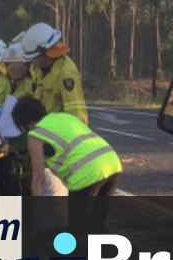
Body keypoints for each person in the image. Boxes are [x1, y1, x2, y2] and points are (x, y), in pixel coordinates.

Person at [11, 96, 121, 232]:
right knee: (96, 225)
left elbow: (38, 179)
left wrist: (35, 220)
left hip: (87, 173)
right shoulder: (65, 117)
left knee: (76, 231)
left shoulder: (35, 135)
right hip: (112, 163)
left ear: (25, 123)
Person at [21, 22, 88, 125]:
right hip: (43, 130)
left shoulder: (67, 73)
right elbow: (30, 92)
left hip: (58, 135)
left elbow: (76, 113)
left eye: (33, 58)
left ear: (45, 54)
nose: (32, 62)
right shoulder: (40, 69)